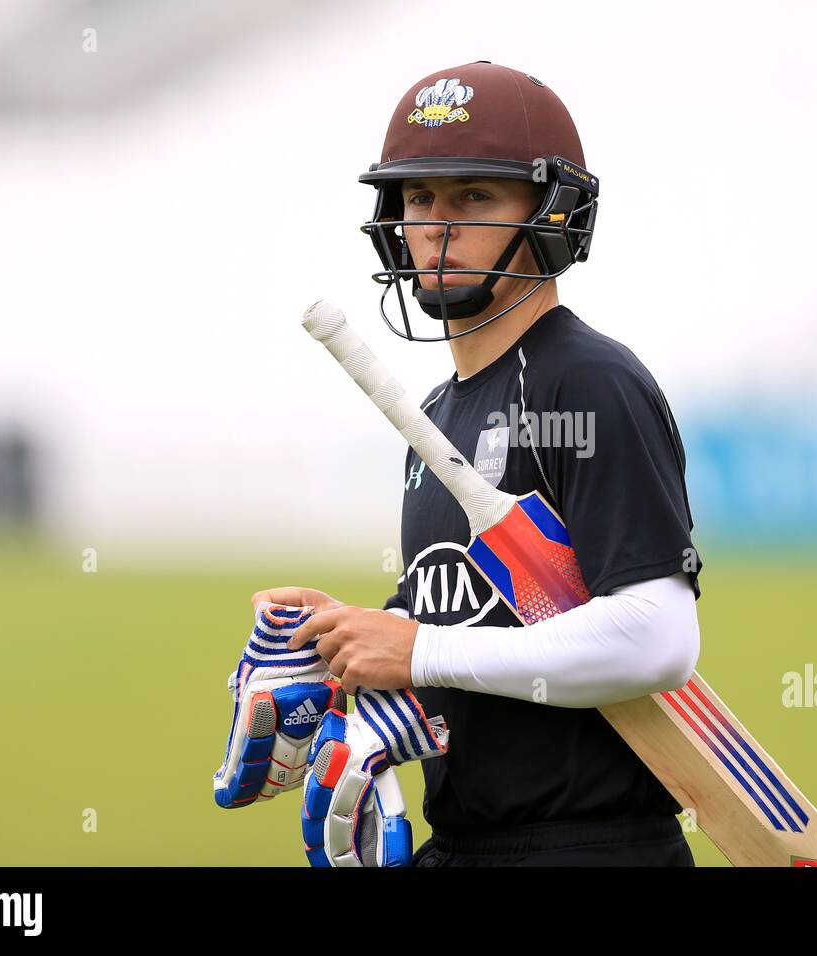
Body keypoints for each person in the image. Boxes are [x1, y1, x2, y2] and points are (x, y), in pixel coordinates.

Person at [263, 60, 704, 866]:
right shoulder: (435, 413)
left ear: (553, 212)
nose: (435, 224)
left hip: (587, 848)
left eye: (473, 196)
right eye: (419, 197)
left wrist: (419, 651)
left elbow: (658, 639)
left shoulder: (589, 382)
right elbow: (477, 624)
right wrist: (350, 643)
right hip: (467, 842)